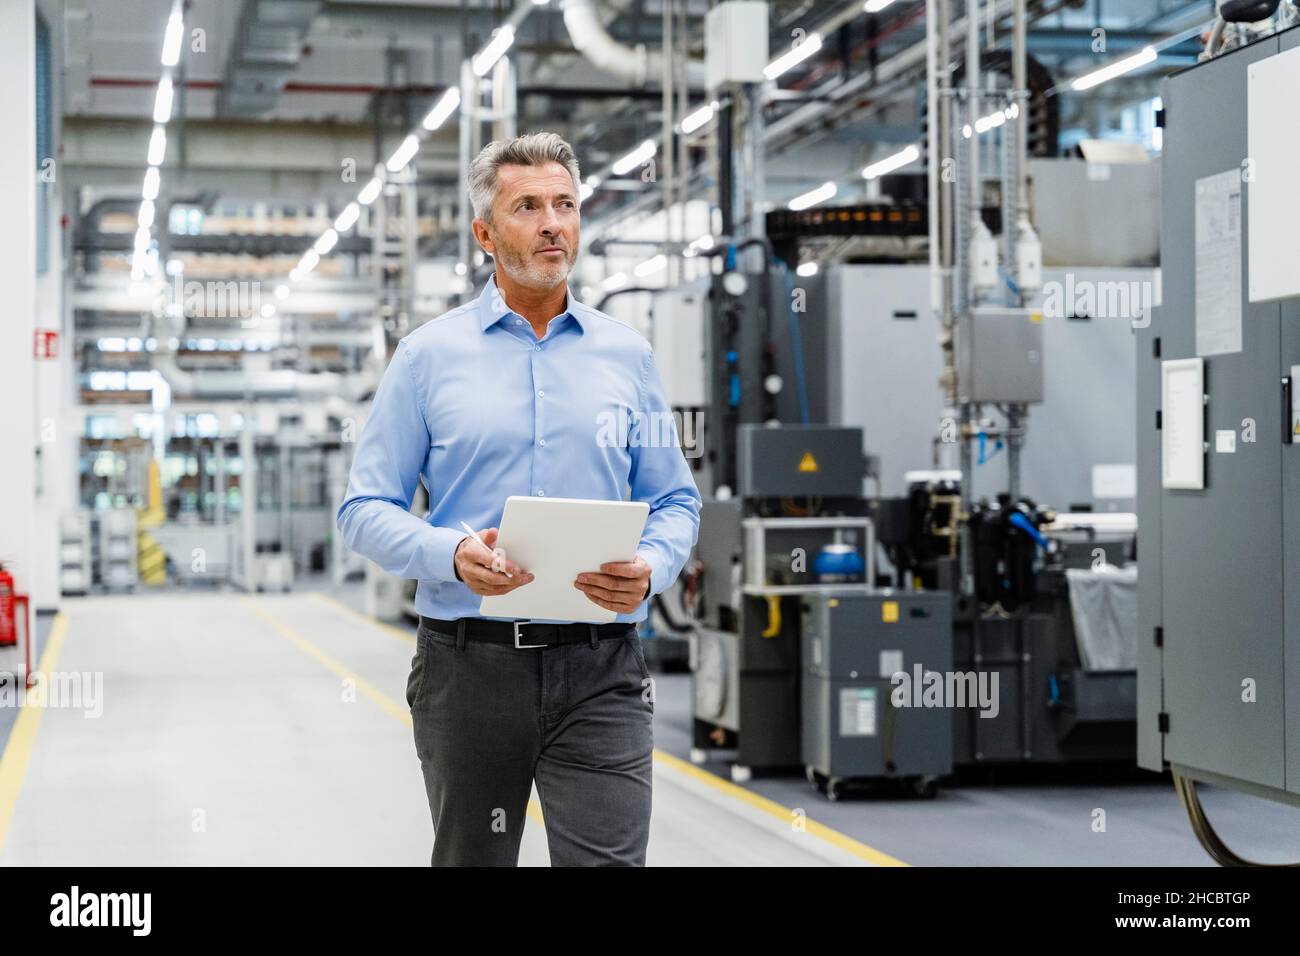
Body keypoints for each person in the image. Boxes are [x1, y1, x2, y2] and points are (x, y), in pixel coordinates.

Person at [336, 132, 702, 866]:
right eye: (528, 206)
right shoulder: (427, 357)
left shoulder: (627, 356)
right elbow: (363, 509)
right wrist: (449, 553)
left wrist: (653, 567)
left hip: (602, 668)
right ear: (484, 234)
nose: (552, 224)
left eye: (565, 204)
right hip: (469, 669)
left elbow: (675, 501)